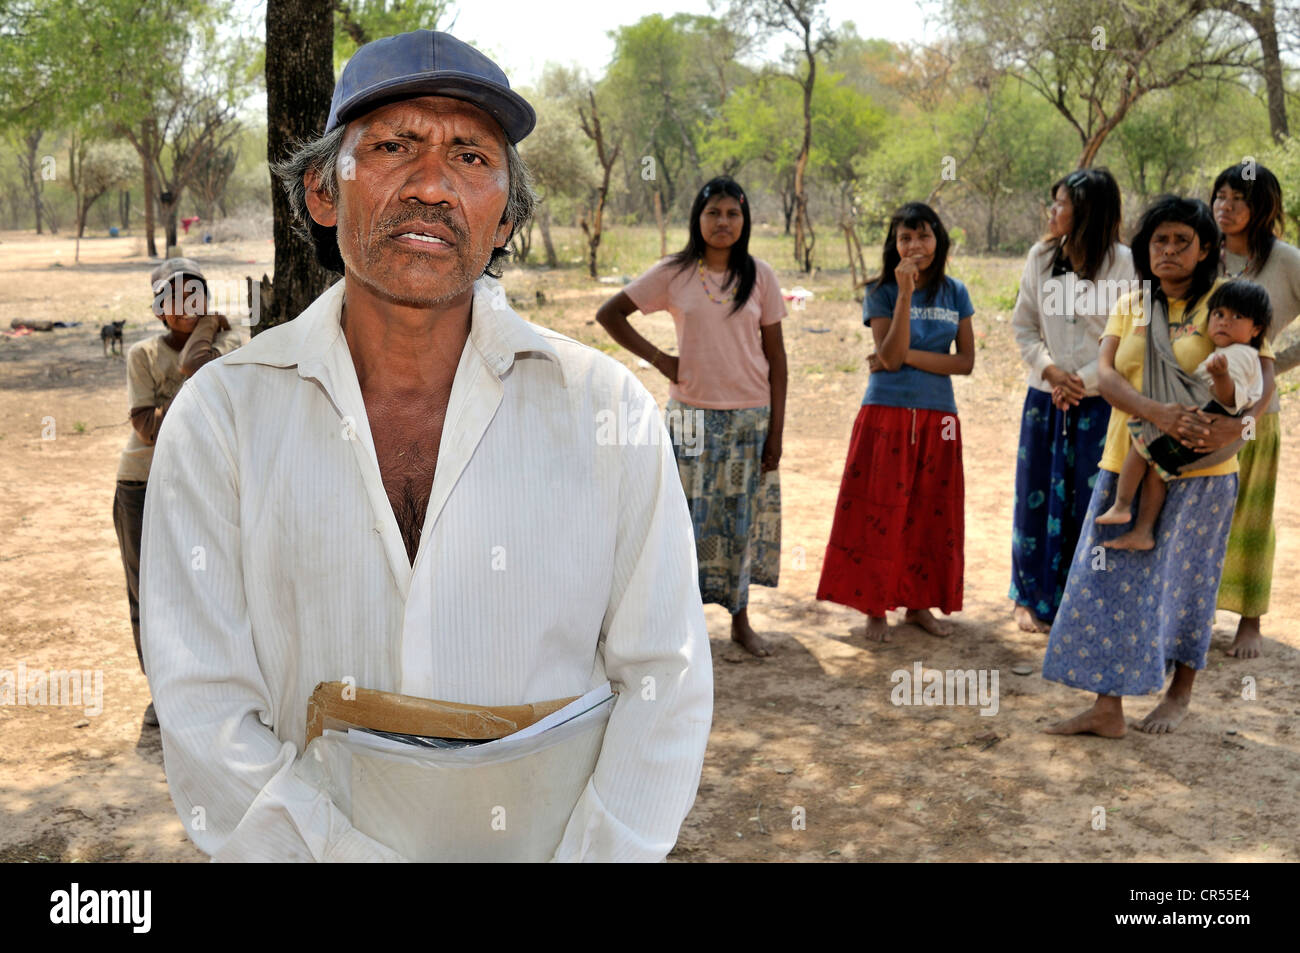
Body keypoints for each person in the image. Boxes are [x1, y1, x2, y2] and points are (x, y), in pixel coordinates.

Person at [139, 30, 712, 862]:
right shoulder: (219, 419)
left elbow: (664, 678)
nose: (433, 185)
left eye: (472, 157)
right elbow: (204, 709)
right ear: (323, 192)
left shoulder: (607, 412)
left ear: (507, 215)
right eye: (393, 146)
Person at [1042, 196, 1276, 738]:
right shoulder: (1132, 302)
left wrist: (1238, 429)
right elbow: (1106, 374)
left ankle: (1179, 693)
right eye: (1159, 241)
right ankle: (1107, 709)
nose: (1168, 250)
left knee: (1187, 585)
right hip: (1126, 459)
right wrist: (1158, 415)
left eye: (1181, 241)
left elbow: (1263, 382)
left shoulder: (1231, 301)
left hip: (1203, 477)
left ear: (1205, 250)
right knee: (1108, 581)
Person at [596, 176, 787, 657]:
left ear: (744, 222)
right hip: (690, 420)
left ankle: (740, 620)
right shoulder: (675, 273)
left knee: (737, 521)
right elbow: (611, 314)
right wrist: (661, 360)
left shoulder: (760, 276)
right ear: (697, 219)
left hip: (749, 419)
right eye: (713, 213)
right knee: (682, 523)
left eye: (733, 214)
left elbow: (777, 360)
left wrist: (777, 433)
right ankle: (680, 624)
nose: (723, 223)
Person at [817, 202, 975, 641]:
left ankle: (919, 605)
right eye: (905, 238)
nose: (915, 246)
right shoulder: (881, 292)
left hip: (939, 417)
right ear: (895, 245)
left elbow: (963, 363)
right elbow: (884, 357)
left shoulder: (956, 292)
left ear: (938, 240)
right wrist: (905, 294)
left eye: (924, 236)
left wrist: (901, 356)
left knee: (929, 512)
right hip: (885, 412)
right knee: (876, 509)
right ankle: (873, 606)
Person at [113, 257, 240, 727]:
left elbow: (220, 400)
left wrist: (203, 341)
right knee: (146, 590)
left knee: (204, 586)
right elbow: (148, 429)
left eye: (196, 296)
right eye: (175, 298)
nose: (186, 306)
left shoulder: (228, 344)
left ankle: (202, 687)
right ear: (160, 309)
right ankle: (159, 692)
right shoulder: (143, 356)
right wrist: (190, 388)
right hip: (142, 483)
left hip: (200, 481)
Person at [1009, 168, 1135, 632]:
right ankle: (1030, 596)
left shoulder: (1126, 264)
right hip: (1045, 398)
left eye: (1062, 203)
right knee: (1035, 496)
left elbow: (1127, 339)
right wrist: (1050, 370)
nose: (1054, 211)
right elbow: (1023, 325)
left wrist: (1079, 380)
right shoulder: (1042, 257)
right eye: (1054, 202)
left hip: (1102, 402)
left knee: (1093, 501)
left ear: (1087, 211)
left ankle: (1088, 600)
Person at [1097, 279, 1268, 549]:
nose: (1225, 321)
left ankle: (1122, 504)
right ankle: (1143, 530)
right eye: (1219, 315)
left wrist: (1242, 425)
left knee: (1142, 448)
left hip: (1198, 453)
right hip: (1159, 442)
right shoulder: (1131, 302)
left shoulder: (1240, 350)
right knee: (1155, 473)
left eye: (1237, 317)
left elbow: (1236, 398)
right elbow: (1103, 375)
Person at [1210, 162, 1297, 658]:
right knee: (1196, 510)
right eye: (1220, 196)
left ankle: (1250, 618)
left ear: (1261, 207)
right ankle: (1191, 611)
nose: (1225, 206)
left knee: (1251, 513)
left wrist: (1273, 362)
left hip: (1257, 412)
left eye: (1238, 199)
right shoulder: (1203, 252)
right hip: (1198, 404)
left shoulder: (1285, 261)